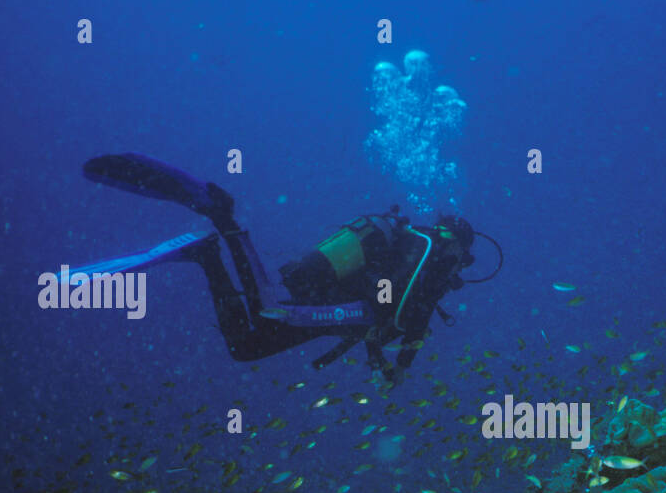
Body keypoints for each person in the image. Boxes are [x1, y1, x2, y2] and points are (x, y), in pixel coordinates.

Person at [76, 153, 501, 387]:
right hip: (347, 308)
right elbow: (412, 314)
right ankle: (220, 225)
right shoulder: (438, 259)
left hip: (340, 300)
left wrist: (376, 358)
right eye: (466, 258)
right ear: (461, 246)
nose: (464, 267)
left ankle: (212, 248)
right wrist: (401, 370)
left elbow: (389, 305)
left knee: (253, 331)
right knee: (256, 330)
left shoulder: (410, 242)